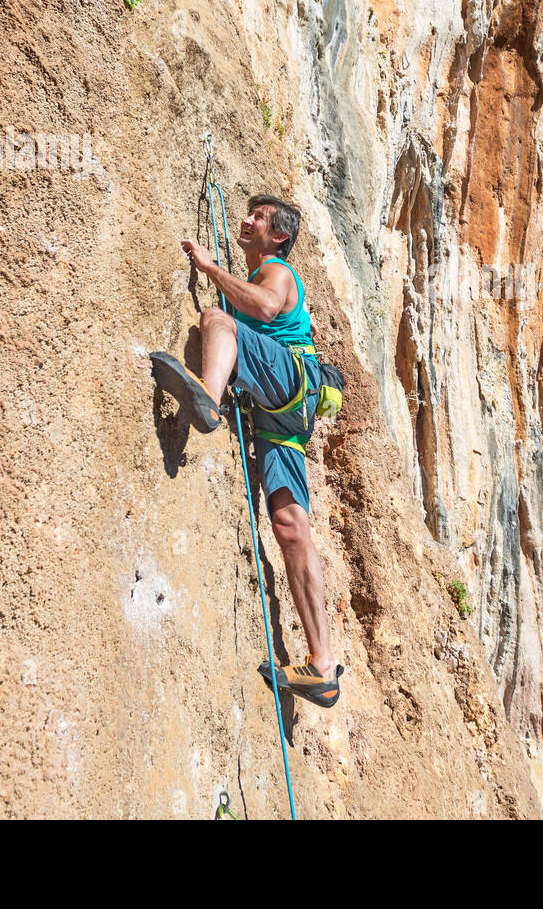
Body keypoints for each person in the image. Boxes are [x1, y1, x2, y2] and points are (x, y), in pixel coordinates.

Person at [150, 193, 342, 708]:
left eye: (257, 217)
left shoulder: (278, 270)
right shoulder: (263, 271)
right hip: (284, 413)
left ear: (278, 235)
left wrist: (210, 268)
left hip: (289, 383)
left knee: (218, 319)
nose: (246, 219)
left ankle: (206, 403)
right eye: (249, 214)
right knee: (290, 526)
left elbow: (263, 307)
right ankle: (322, 666)